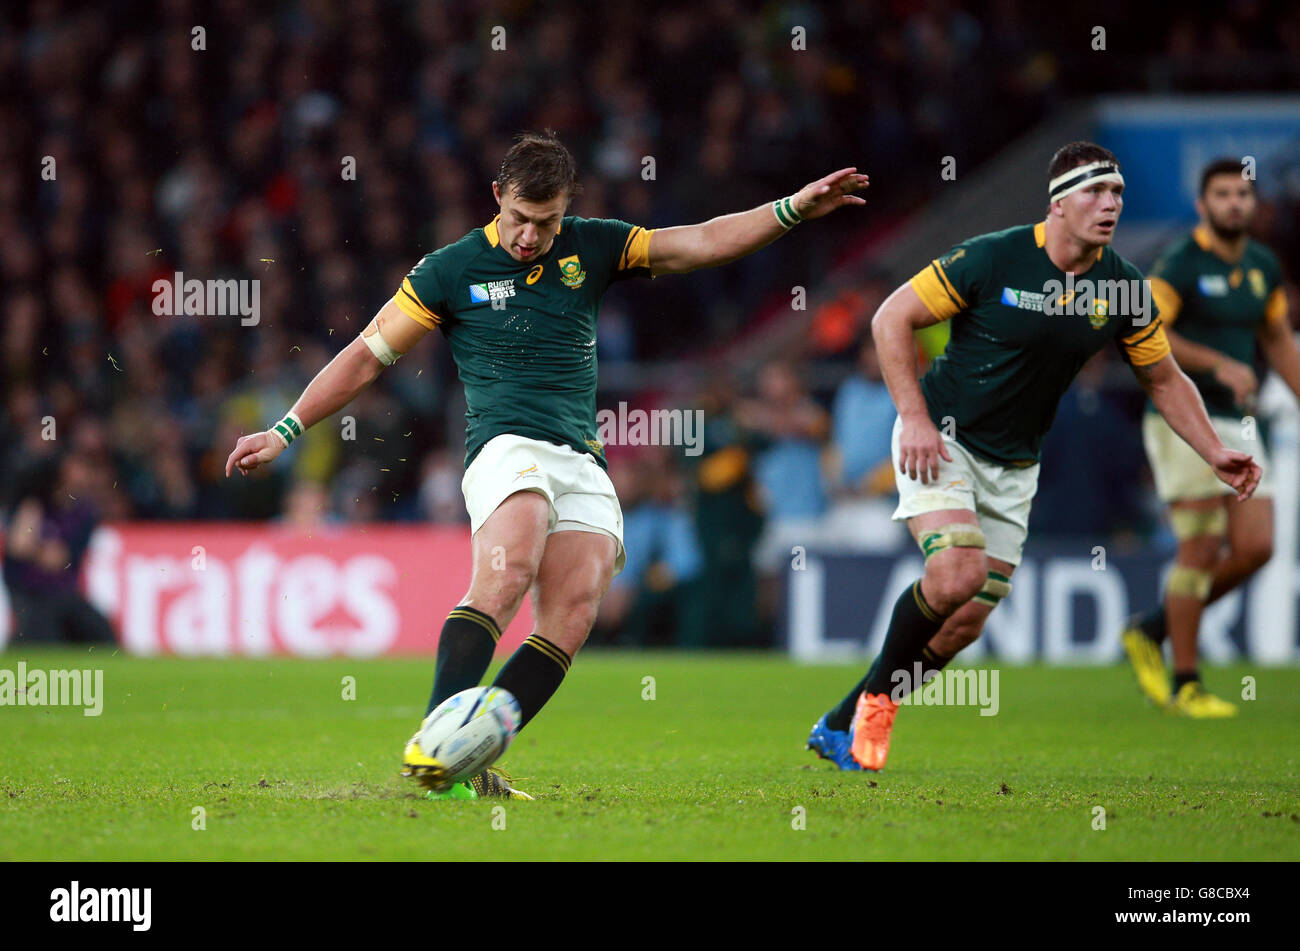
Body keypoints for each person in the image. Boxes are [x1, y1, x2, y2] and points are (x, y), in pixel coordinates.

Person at [225, 131, 868, 798]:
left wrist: (791, 207)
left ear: (566, 210)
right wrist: (287, 427)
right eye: (520, 221)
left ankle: (468, 757)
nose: (531, 237)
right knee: (509, 570)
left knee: (573, 611)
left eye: (547, 222)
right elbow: (365, 354)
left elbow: (701, 241)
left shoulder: (594, 245)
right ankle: (435, 749)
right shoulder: (449, 269)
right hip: (506, 446)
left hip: (581, 458)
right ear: (497, 196)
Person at [806, 141, 1261, 773]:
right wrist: (912, 418)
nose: (1111, 205)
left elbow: (1163, 378)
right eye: (1095, 193)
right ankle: (880, 702)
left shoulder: (1123, 287)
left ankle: (837, 722)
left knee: (964, 625)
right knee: (956, 577)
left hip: (1016, 465)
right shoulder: (994, 258)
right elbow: (891, 318)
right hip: (944, 437)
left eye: (1118, 194)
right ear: (1058, 203)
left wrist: (1215, 450)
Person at [1122, 158, 1298, 717]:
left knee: (1256, 548)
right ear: (1202, 205)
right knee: (1199, 547)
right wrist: (1218, 363)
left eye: (1242, 193)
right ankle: (1187, 682)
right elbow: (1146, 327)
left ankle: (1151, 629)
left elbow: (1278, 340)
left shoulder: (1264, 265)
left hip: (1240, 421)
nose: (1234, 203)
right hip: (1184, 419)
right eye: (1222, 194)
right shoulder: (1180, 262)